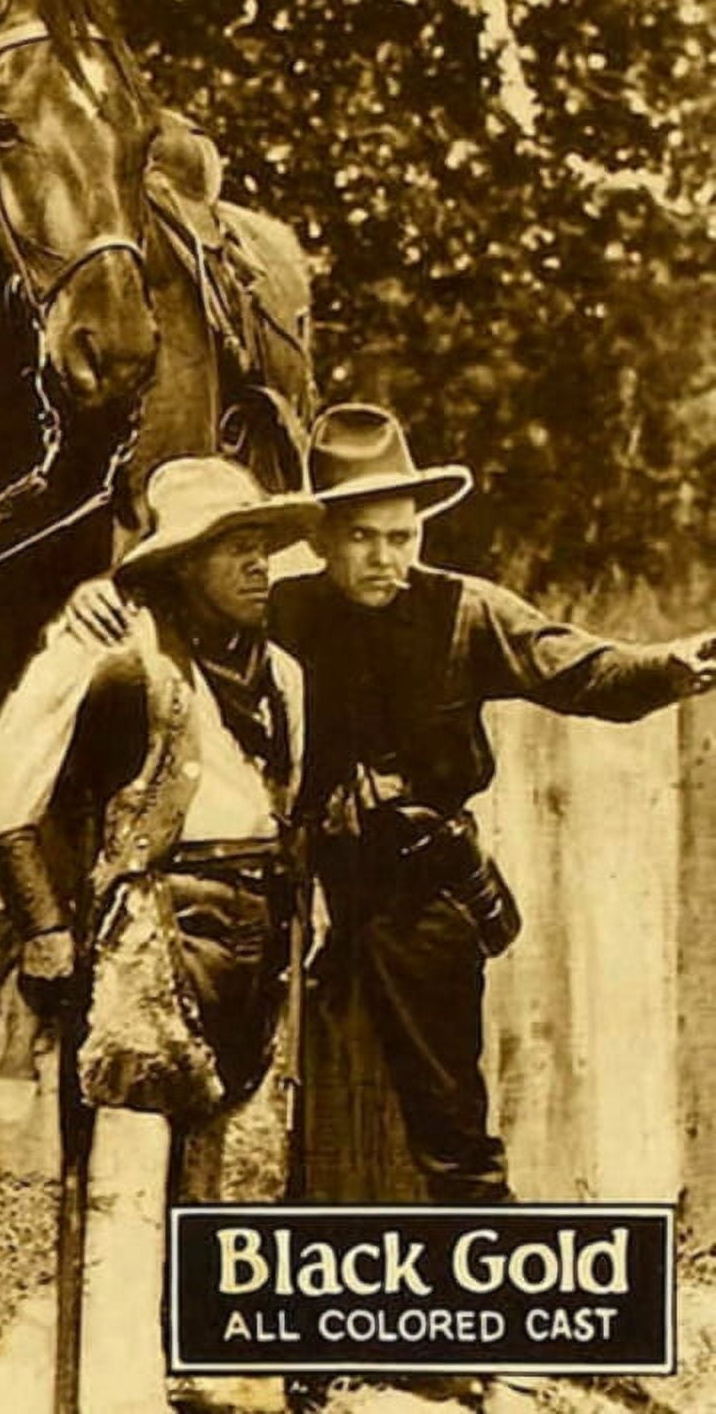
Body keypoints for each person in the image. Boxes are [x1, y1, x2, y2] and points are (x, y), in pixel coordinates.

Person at [65, 405, 716, 1208]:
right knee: (266, 1102)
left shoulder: (465, 611)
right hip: (299, 893)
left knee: (450, 1117)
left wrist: (674, 665)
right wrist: (99, 604)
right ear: (323, 538)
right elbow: (179, 606)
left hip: (422, 890)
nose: (385, 558)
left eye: (402, 536)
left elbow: (579, 671)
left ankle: (491, 1288)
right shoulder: (282, 609)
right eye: (362, 538)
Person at [0, 456, 319, 1413]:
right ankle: (120, 1387)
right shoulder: (117, 653)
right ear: (180, 565)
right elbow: (0, 782)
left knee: (244, 1171)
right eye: (234, 550)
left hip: (261, 934)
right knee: (127, 1176)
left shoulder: (283, 671)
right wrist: (41, 922)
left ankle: (225, 1383)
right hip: (148, 935)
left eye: (263, 548)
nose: (257, 567)